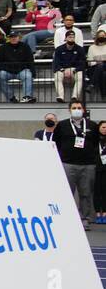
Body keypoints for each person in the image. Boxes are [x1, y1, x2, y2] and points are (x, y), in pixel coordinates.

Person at [51, 99, 97, 230]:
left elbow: (94, 143)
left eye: (79, 108)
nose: (77, 110)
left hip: (87, 165)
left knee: (86, 193)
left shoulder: (92, 125)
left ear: (83, 110)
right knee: (67, 192)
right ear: (69, 110)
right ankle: (67, 217)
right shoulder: (62, 125)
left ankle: (85, 218)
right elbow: (56, 142)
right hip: (68, 163)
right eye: (74, 108)